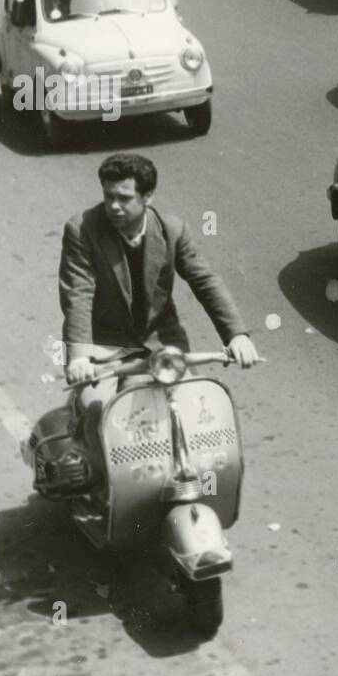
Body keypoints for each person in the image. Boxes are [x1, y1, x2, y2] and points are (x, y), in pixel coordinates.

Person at [59, 154, 259, 482]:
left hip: (161, 343)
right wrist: (80, 357)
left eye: (124, 198)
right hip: (104, 346)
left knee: (194, 414)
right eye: (108, 196)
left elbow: (205, 280)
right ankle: (99, 487)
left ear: (148, 196)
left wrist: (237, 335)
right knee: (99, 413)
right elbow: (77, 293)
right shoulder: (83, 229)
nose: (113, 206)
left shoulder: (173, 230)